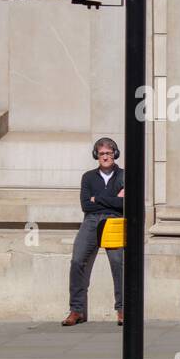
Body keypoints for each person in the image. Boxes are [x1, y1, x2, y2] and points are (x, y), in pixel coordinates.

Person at [64, 137, 125, 327]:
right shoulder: (88, 177)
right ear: (96, 156)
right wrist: (112, 198)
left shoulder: (124, 175)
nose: (105, 157)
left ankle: (122, 310)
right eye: (101, 154)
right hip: (91, 221)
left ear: (115, 153)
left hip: (114, 221)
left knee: (118, 263)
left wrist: (96, 198)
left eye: (108, 153)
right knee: (77, 260)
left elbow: (124, 204)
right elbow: (85, 205)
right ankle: (76, 310)